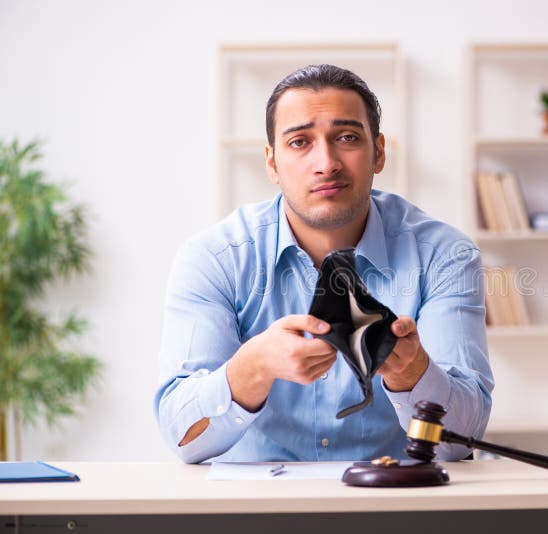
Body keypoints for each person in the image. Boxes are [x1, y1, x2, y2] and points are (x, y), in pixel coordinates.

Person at [154, 64, 493, 464]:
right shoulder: (214, 258)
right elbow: (182, 439)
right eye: (300, 142)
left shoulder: (445, 254)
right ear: (272, 163)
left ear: (379, 151)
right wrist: (252, 368)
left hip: (395, 510)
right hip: (256, 515)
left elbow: (463, 440)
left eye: (347, 137)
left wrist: (413, 375)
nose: (326, 162)